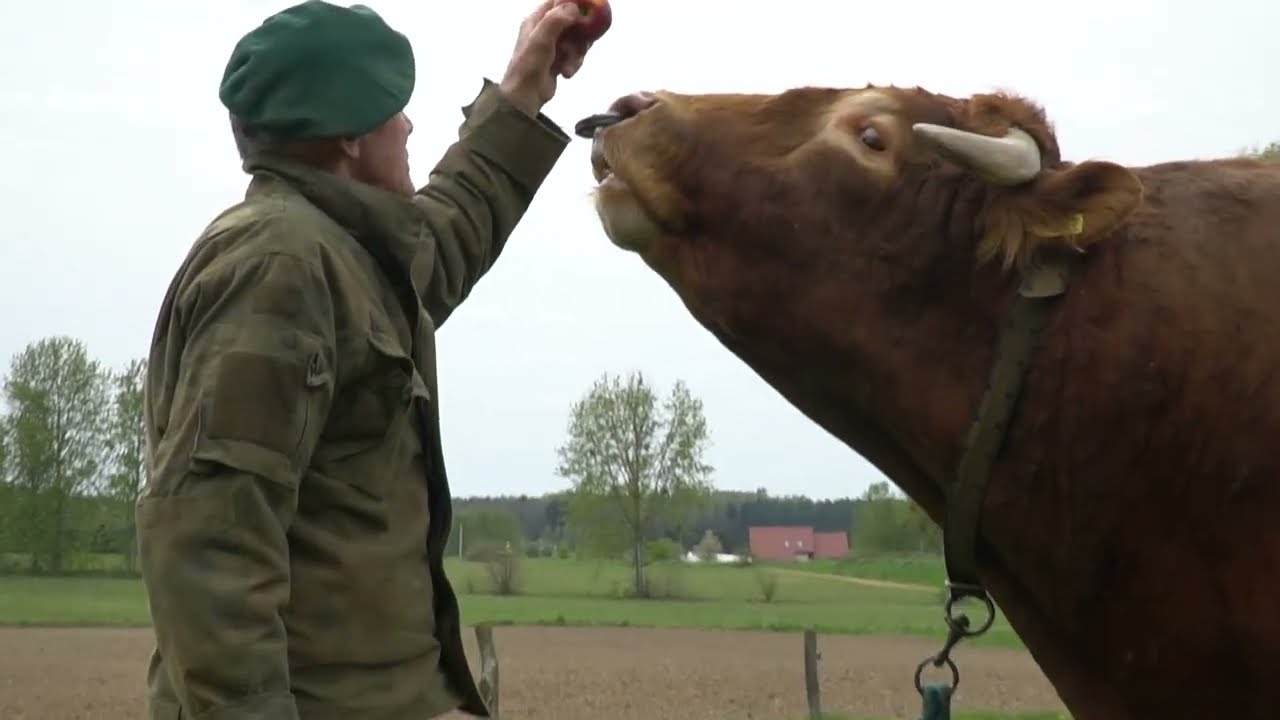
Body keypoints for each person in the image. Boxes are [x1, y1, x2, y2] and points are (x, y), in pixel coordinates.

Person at [134, 1, 593, 718]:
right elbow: (209, 546)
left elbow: (444, 237)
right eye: (393, 110)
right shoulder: (278, 270)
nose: (408, 125)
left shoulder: (342, 252)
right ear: (348, 135)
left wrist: (523, 91)